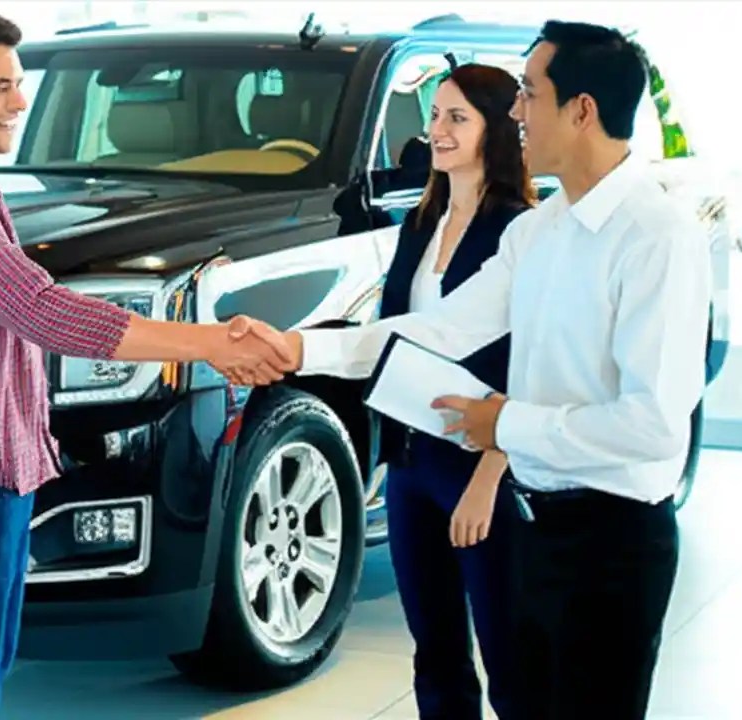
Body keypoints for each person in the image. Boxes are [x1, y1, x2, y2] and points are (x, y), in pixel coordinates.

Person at [233, 20, 710, 720]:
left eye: (529, 95)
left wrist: (502, 425)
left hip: (614, 543)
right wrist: (303, 349)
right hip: (535, 523)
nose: (516, 113)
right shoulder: (537, 233)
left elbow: (654, 428)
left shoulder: (657, 237)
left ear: (582, 111)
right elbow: (441, 331)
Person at [0, 9, 293, 720]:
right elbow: (42, 312)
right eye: (1, 86)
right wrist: (213, 344)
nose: (20, 101)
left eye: (19, 84)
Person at [375, 63, 535, 720]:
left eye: (455, 118)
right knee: (434, 649)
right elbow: (396, 336)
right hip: (412, 465)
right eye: (434, 116)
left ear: (495, 131)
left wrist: (489, 475)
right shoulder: (420, 223)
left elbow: (533, 365)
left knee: (509, 652)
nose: (434, 132)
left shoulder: (521, 230)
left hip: (481, 466)